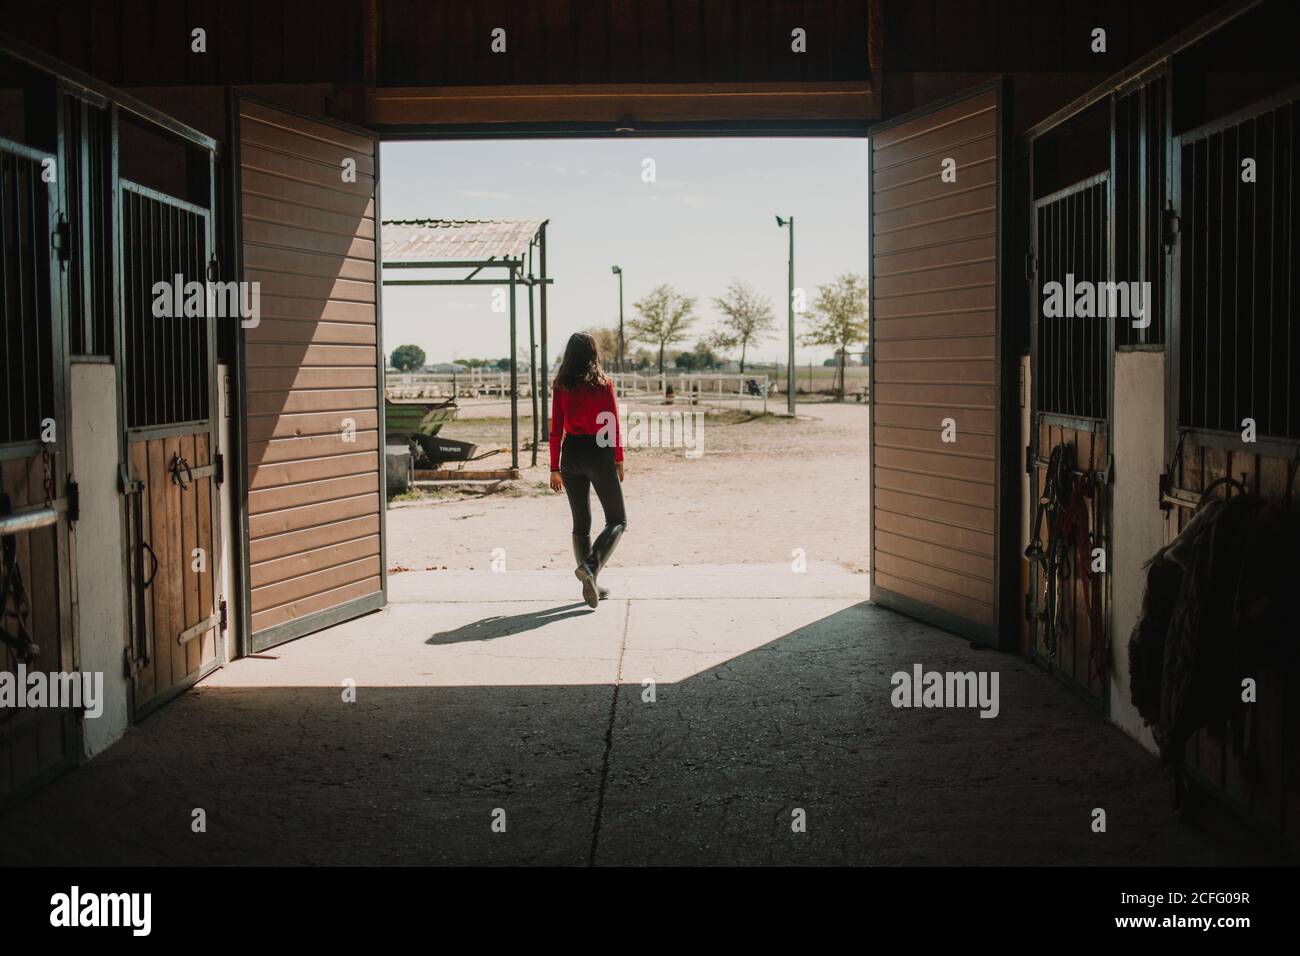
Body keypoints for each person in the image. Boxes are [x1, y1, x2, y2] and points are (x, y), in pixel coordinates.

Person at [549, 332, 626, 608]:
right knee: (617, 520)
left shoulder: (561, 385)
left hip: (571, 454)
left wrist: (554, 468)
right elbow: (612, 423)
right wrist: (618, 457)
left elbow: (555, 428)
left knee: (581, 524)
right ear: (593, 354)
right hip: (599, 450)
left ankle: (589, 581)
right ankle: (591, 567)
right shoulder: (603, 384)